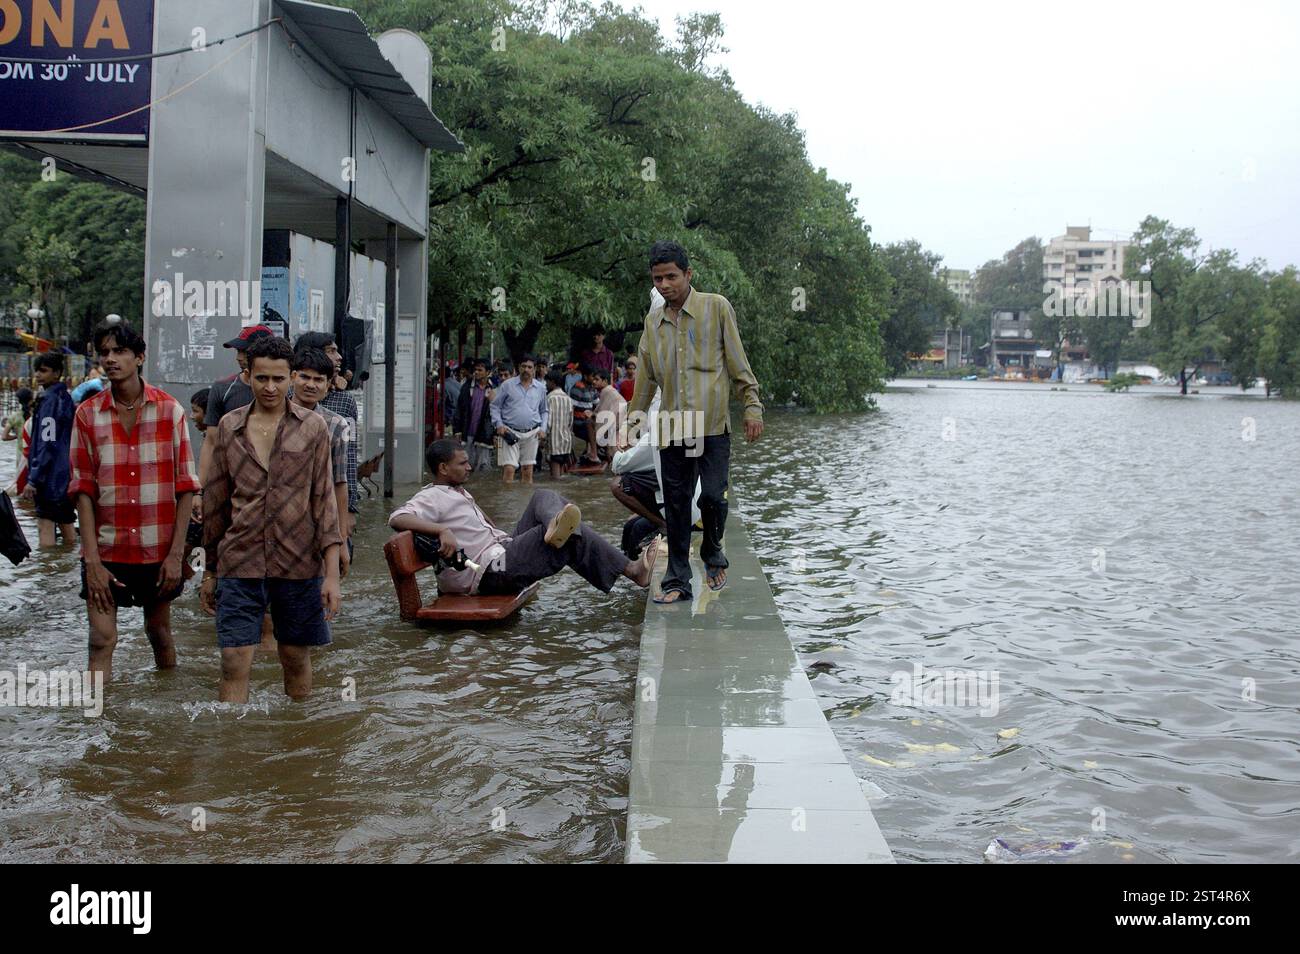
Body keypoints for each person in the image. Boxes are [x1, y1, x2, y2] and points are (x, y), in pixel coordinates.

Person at [200, 335, 342, 703]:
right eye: (262, 378)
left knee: (294, 657)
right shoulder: (229, 427)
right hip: (240, 559)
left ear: (291, 377)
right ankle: (237, 747)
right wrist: (210, 571)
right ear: (248, 377)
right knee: (233, 659)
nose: (270, 387)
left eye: (278, 379)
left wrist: (331, 575)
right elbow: (215, 502)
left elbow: (323, 499)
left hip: (297, 561)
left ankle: (298, 742)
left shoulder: (313, 428)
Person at [627, 240, 764, 603]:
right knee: (675, 503)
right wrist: (631, 423)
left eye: (671, 276)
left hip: (713, 424)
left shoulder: (716, 308)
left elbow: (737, 362)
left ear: (688, 274)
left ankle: (713, 551)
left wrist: (752, 406)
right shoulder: (652, 322)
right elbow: (646, 378)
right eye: (658, 279)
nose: (664, 285)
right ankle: (677, 581)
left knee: (714, 499)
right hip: (673, 427)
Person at [69, 320, 200, 682]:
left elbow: (186, 486)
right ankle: (97, 722)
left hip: (156, 548)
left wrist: (176, 555)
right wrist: (91, 560)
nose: (111, 359)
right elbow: (82, 489)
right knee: (100, 640)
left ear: (139, 357)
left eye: (120, 352)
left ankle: (166, 706)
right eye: (105, 353)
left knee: (158, 633)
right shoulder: (87, 414)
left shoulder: (169, 410)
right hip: (107, 549)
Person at [388, 438, 658, 598]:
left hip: (499, 553)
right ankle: (632, 571)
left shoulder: (456, 491)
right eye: (462, 463)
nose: (469, 467)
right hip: (486, 571)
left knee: (542, 495)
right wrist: (440, 530)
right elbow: (398, 517)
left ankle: (554, 523)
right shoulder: (433, 496)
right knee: (569, 539)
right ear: (443, 468)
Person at [290, 346, 352, 577]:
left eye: (319, 380)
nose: (311, 385)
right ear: (292, 377)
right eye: (305, 377)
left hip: (317, 523)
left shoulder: (336, 425)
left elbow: (339, 483)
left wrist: (342, 540)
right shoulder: (272, 417)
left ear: (328, 386)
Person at [295, 332, 359, 545]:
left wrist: (349, 509)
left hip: (325, 507)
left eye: (319, 379)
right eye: (331, 351)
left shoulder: (342, 406)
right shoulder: (279, 407)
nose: (339, 357)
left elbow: (347, 462)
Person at [199, 324, 272, 482]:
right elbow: (211, 441)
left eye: (244, 352)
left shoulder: (286, 390)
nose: (238, 357)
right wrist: (200, 490)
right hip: (232, 480)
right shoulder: (223, 388)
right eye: (238, 351)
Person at [26, 353, 77, 547]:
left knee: (44, 525)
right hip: (65, 474)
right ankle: (65, 571)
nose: (38, 375)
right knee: (66, 522)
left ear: (57, 373)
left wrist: (34, 478)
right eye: (37, 371)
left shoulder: (49, 400)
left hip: (50, 476)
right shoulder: (66, 397)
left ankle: (46, 570)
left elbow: (46, 442)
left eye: (44, 371)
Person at [489, 353, 548, 484]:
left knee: (528, 470)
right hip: (509, 432)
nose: (526, 369)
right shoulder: (507, 385)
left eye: (529, 367)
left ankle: (525, 501)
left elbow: (544, 411)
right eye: (523, 366)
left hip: (532, 433)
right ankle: (508, 503)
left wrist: (543, 429)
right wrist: (498, 424)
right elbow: (495, 407)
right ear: (519, 368)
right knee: (509, 469)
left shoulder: (541, 388)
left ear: (534, 369)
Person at [454, 357, 495, 472]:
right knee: (466, 466)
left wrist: (495, 434)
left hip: (485, 433)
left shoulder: (494, 389)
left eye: (480, 370)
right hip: (468, 432)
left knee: (484, 467)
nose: (476, 372)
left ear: (488, 372)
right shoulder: (466, 388)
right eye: (475, 370)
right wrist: (457, 430)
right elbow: (459, 409)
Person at [3, 386, 34, 497]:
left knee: (21, 488)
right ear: (31, 399)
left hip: (21, 457)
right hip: (35, 456)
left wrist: (17, 436)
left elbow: (4, 437)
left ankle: (22, 510)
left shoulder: (14, 417)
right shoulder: (36, 415)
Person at [567, 365, 601, 464]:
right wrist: (569, 428)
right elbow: (571, 409)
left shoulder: (592, 388)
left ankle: (590, 452)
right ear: (585, 376)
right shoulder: (578, 388)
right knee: (590, 423)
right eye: (592, 377)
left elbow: (597, 405)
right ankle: (593, 453)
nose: (594, 379)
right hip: (579, 424)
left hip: (588, 421)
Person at [590, 367, 626, 461]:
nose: (593, 381)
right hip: (621, 428)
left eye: (597, 379)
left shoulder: (607, 392)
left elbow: (607, 418)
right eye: (593, 379)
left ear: (605, 381)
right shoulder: (607, 392)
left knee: (589, 422)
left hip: (618, 430)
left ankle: (594, 453)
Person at [544, 370, 574, 478]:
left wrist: (543, 438)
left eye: (547, 382)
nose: (546, 385)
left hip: (554, 442)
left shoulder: (549, 398)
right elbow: (571, 422)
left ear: (552, 382)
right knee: (561, 474)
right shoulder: (568, 399)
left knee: (555, 479)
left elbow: (548, 422)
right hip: (566, 442)